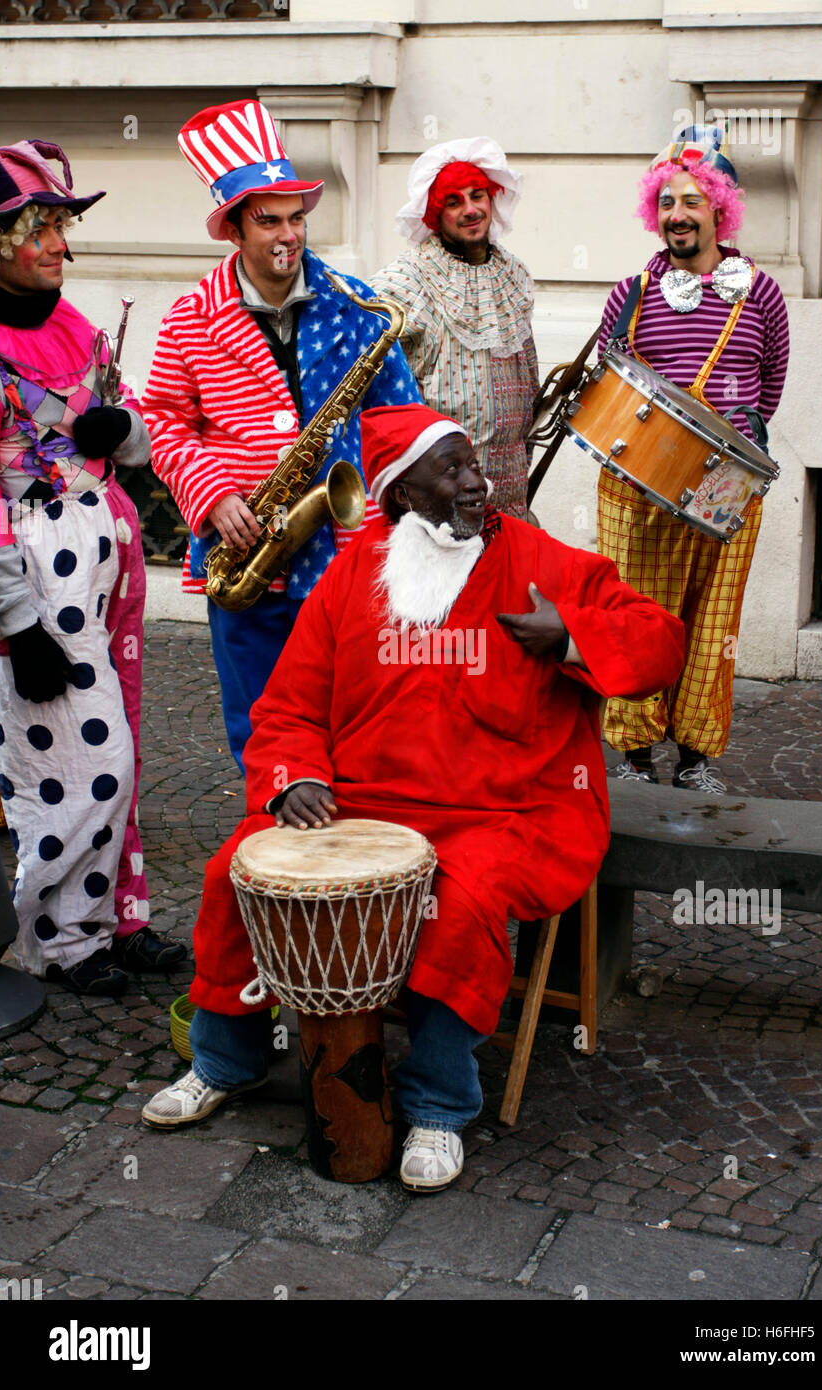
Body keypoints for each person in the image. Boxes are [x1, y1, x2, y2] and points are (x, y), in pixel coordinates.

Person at [142, 402, 684, 1192]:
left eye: (475, 464)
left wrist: (568, 632)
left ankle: (438, 1105)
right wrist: (297, 776)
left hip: (505, 809)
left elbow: (661, 639)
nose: (479, 481)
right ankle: (229, 1062)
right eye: (453, 469)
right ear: (400, 492)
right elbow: (288, 708)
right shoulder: (351, 580)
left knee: (458, 904)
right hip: (359, 804)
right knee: (233, 872)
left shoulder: (539, 561)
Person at [143, 100, 420, 771]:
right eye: (269, 219)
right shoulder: (188, 319)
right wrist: (212, 497)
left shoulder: (355, 305)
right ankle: (271, 853)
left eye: (297, 217)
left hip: (346, 558)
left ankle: (347, 863)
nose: (289, 234)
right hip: (244, 558)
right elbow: (163, 422)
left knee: (352, 724)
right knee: (260, 725)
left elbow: (403, 416)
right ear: (234, 227)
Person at [0, 138, 185, 996]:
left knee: (123, 754)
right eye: (43, 230)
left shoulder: (74, 325)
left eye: (61, 230)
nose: (61, 248)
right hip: (41, 583)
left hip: (107, 562)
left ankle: (115, 917)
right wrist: (17, 619)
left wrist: (120, 435)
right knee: (76, 764)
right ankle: (58, 936)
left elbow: (131, 430)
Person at [596, 125, 789, 794]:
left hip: (728, 482)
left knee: (712, 620)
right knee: (638, 618)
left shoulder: (760, 293)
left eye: (691, 201)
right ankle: (636, 756)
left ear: (718, 209)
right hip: (637, 484)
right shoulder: (632, 294)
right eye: (666, 203)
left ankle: (697, 758)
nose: (677, 215)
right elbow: (608, 380)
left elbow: (770, 385)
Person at [371, 138, 538, 520]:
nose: (470, 210)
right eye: (453, 201)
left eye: (477, 195)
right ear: (434, 214)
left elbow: (529, 376)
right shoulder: (405, 280)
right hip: (436, 495)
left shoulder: (514, 275)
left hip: (511, 488)